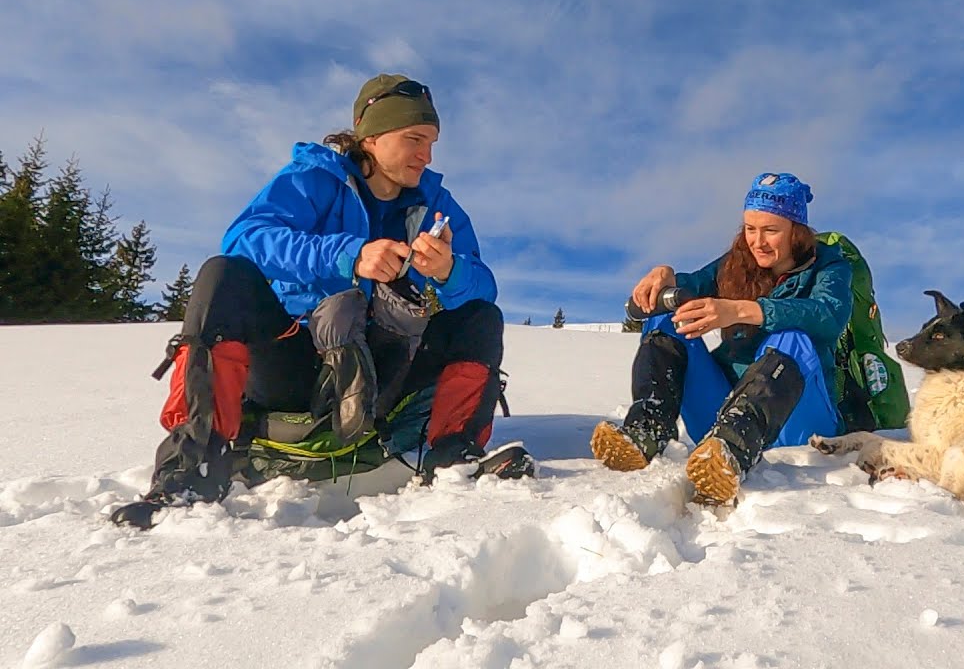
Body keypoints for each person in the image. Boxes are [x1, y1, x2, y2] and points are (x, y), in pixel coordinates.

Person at [112, 73, 529, 529]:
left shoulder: (436, 204)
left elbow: (483, 287)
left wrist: (450, 272)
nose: (426, 156)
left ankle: (454, 456)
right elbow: (245, 239)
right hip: (298, 363)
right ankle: (191, 471)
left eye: (431, 142)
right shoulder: (315, 179)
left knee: (478, 315)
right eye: (414, 139)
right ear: (371, 136)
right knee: (223, 276)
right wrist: (349, 255)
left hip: (388, 366)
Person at [591, 172, 854, 505]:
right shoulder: (735, 264)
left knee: (793, 336)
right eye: (750, 229)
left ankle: (731, 451)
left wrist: (743, 310)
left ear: (796, 233)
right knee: (667, 315)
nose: (757, 241)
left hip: (799, 422)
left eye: (771, 230)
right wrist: (664, 274)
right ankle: (647, 431)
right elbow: (689, 288)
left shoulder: (830, 267)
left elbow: (828, 315)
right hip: (721, 420)